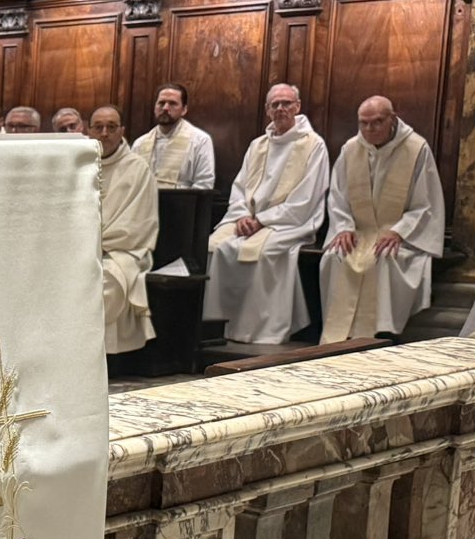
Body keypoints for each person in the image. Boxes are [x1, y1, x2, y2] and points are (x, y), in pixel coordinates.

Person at [202, 84, 330, 344]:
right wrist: (242, 217)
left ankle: (261, 330)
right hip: (249, 219)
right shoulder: (258, 145)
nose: (281, 108)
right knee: (214, 246)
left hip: (288, 222)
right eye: (275, 104)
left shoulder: (314, 145)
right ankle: (217, 328)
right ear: (267, 110)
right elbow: (239, 188)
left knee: (267, 252)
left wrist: (262, 220)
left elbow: (306, 197)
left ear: (298, 106)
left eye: (286, 103)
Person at [319, 96, 444, 343]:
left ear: (392, 119)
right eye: (363, 123)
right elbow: (337, 198)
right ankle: (338, 338)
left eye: (376, 122)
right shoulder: (350, 150)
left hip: (400, 235)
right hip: (359, 233)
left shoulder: (416, 149)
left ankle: (380, 333)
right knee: (335, 256)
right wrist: (343, 227)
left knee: (385, 257)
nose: (369, 129)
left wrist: (399, 231)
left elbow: (426, 203)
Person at [89, 106, 157, 354]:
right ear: (89, 131)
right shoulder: (80, 165)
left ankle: (97, 355)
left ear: (122, 131)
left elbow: (138, 224)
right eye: (98, 127)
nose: (104, 133)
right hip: (84, 249)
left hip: (123, 252)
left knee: (102, 280)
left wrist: (96, 243)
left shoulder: (137, 169)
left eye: (111, 127)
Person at [132, 84, 216, 190]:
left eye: (172, 103)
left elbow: (204, 184)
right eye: (161, 103)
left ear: (184, 110)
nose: (165, 108)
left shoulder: (200, 140)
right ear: (155, 108)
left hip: (182, 204)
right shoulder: (140, 143)